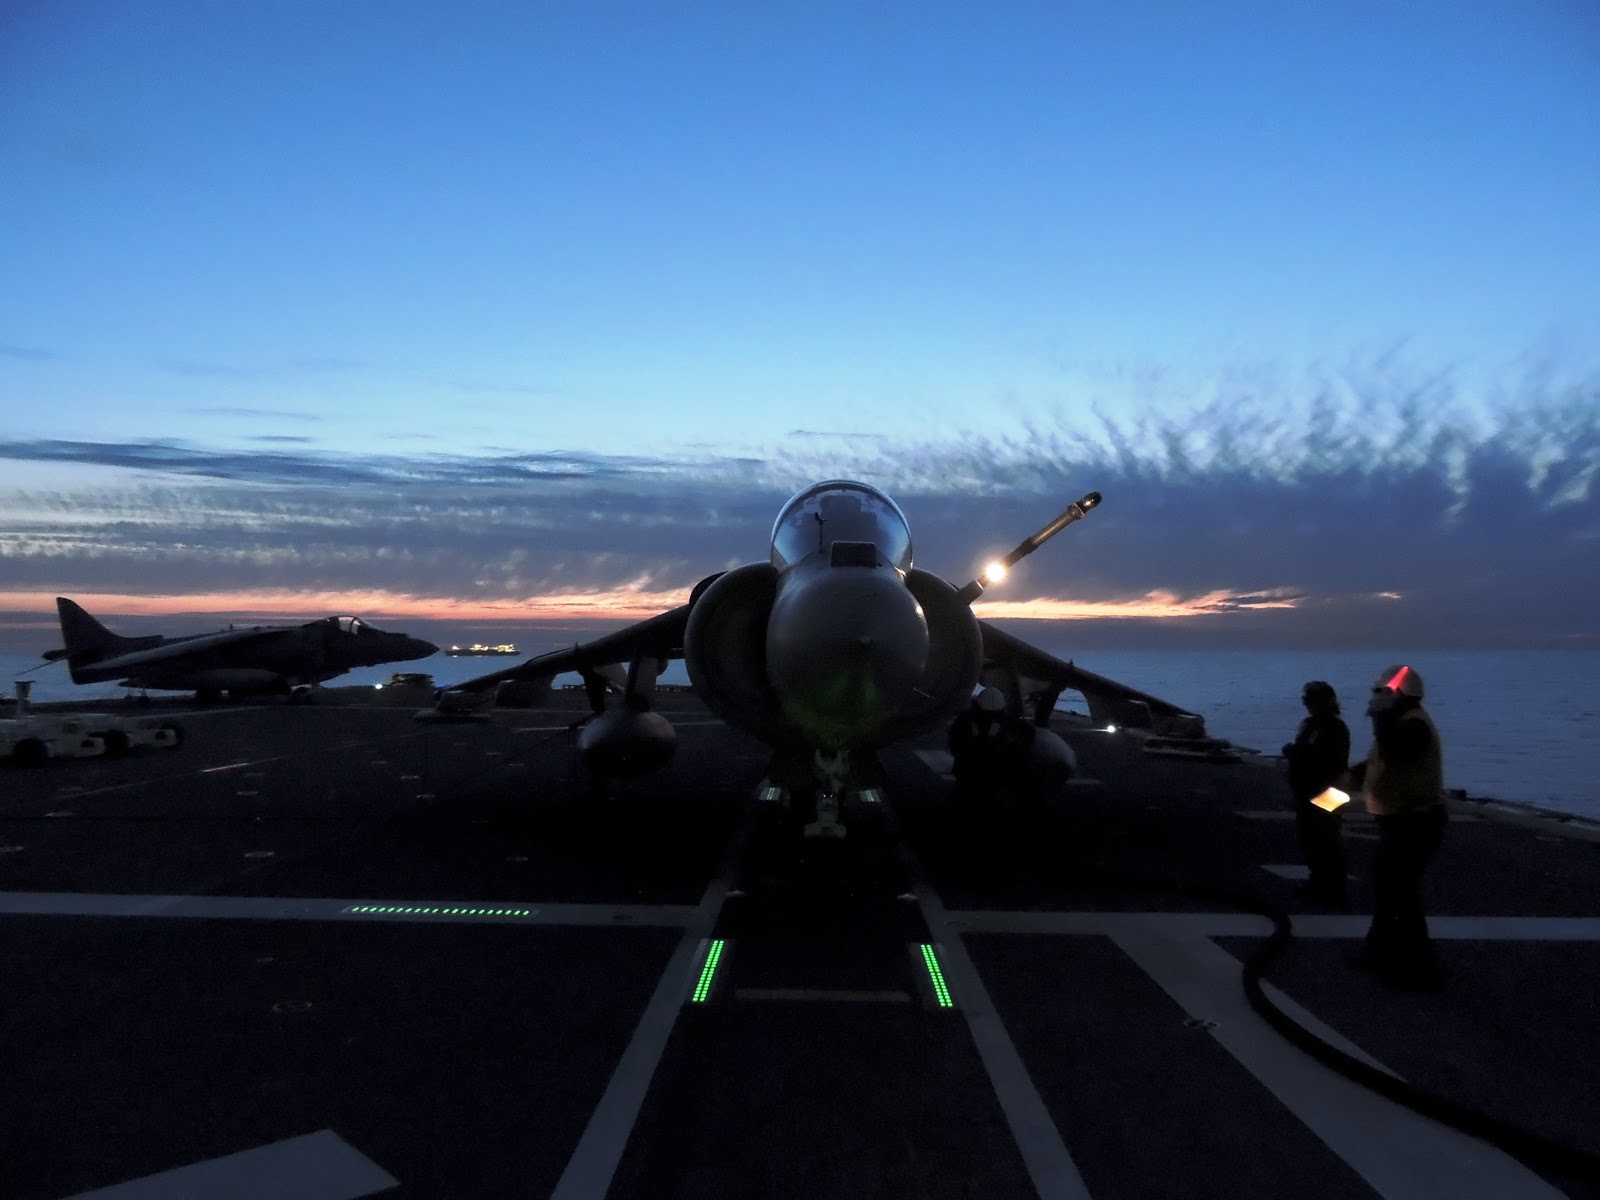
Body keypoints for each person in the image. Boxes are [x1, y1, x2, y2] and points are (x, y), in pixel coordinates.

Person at [1350, 664, 1448, 990]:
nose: (1375, 699)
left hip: (1415, 821)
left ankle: (1421, 969)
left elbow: (1396, 755)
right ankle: (1381, 951)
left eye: (1382, 694)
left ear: (1398, 695)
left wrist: (1380, 718)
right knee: (1388, 889)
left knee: (1401, 892)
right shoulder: (1402, 724)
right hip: (1400, 821)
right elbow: (1378, 763)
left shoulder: (1412, 727)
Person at [1281, 680, 1350, 905]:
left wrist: (1299, 755)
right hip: (1308, 790)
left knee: (1325, 836)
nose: (1305, 702)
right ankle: (1320, 880)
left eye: (1309, 698)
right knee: (1311, 836)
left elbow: (1330, 761)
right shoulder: (1311, 724)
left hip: (1327, 790)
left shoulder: (1334, 728)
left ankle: (1331, 884)